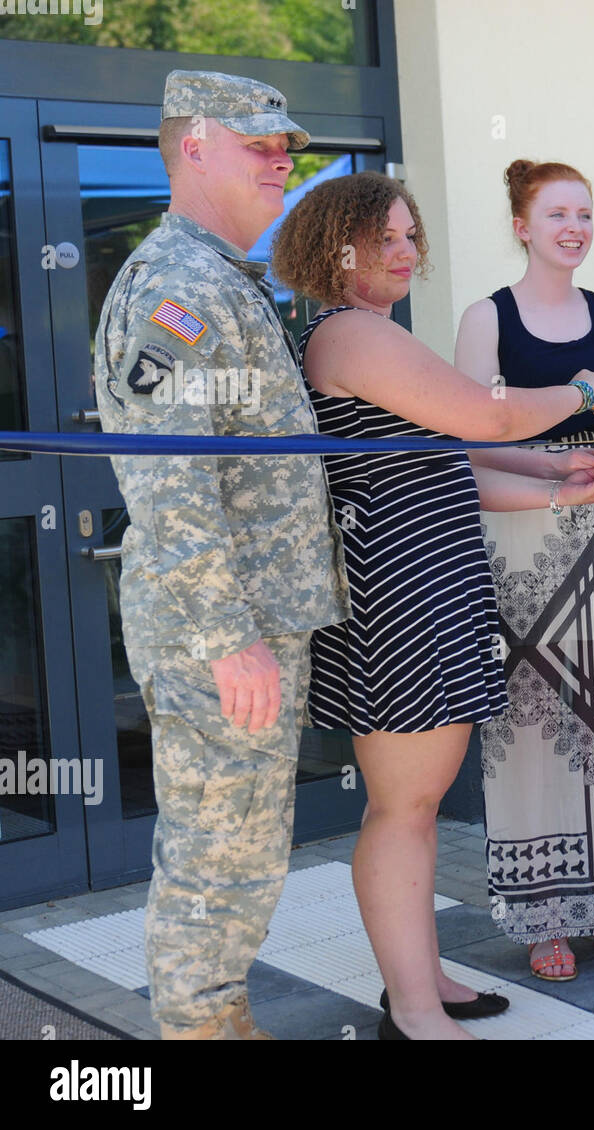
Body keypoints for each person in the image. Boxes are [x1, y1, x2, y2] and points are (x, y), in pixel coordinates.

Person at [271, 170, 594, 1039]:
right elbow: (485, 416)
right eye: (382, 236)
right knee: (403, 807)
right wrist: (584, 395)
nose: (403, 250)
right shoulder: (350, 334)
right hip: (399, 600)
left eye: (409, 234)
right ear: (333, 250)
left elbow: (449, 467)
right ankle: (417, 1011)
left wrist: (553, 480)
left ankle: (422, 980)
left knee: (415, 806)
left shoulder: (377, 339)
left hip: (431, 587)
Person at [93, 70, 349, 1038]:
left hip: (252, 621)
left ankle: (216, 1021)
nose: (282, 161)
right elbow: (168, 480)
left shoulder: (224, 280)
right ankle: (200, 1029)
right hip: (223, 632)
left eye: (287, 147)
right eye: (259, 145)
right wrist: (227, 634)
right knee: (215, 860)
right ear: (193, 143)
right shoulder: (178, 289)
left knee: (239, 855)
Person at [453, 160, 594, 981]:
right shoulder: (487, 317)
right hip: (521, 532)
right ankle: (545, 918)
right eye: (555, 214)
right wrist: (553, 473)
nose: (573, 226)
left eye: (583, 212)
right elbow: (468, 436)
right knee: (535, 719)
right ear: (522, 226)